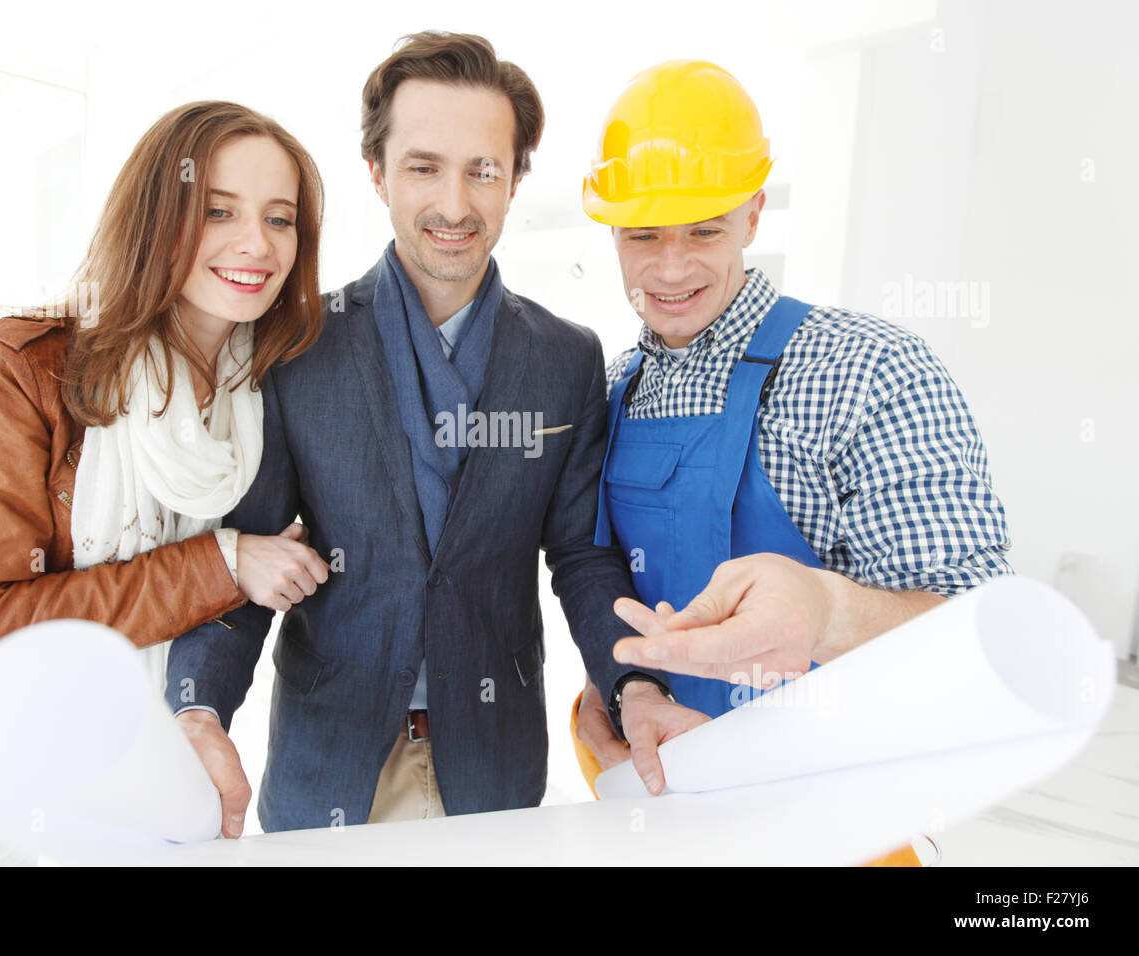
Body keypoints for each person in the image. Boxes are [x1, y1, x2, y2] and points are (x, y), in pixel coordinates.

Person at [168, 32, 703, 836]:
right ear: (377, 173)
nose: (455, 204)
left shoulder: (566, 358)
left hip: (495, 762)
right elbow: (252, 557)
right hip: (330, 764)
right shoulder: (297, 348)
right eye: (424, 167)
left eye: (483, 169)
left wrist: (636, 685)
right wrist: (199, 706)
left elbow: (583, 556)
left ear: (516, 179)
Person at [571, 61, 1013, 824]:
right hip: (659, 797)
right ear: (612, 230)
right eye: (644, 234)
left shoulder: (870, 370)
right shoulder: (616, 388)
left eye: (705, 229)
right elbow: (597, 572)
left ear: (752, 214)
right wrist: (623, 689)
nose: (671, 268)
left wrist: (824, 608)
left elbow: (979, 634)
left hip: (835, 814)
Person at [0, 101, 329, 864]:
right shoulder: (17, 369)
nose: (256, 244)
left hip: (143, 772)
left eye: (281, 219)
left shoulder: (268, 382)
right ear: (156, 217)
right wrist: (221, 565)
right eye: (217, 210)